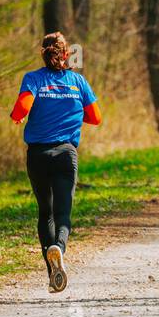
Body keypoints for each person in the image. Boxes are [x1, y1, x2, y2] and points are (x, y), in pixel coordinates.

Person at [10, 32, 102, 294]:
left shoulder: (33, 79)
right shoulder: (78, 81)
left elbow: (21, 109)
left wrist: (18, 117)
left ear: (43, 53)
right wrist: (70, 114)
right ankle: (59, 248)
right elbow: (95, 117)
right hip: (66, 154)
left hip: (38, 155)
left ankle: (53, 272)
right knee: (63, 214)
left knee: (45, 212)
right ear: (66, 54)